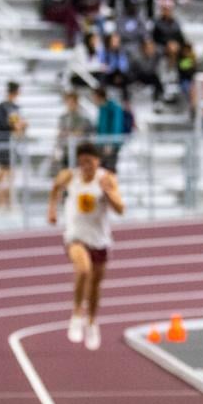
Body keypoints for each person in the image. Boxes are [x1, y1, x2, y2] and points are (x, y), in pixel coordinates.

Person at [47, 141, 125, 351]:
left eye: (90, 163)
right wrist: (52, 210)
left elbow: (120, 209)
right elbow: (55, 188)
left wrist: (108, 193)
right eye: (82, 163)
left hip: (99, 238)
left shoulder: (106, 179)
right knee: (83, 270)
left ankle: (91, 322)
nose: (86, 167)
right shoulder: (69, 176)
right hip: (75, 235)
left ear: (97, 161)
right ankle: (76, 315)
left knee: (96, 286)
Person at [0, 81, 27, 211]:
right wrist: (15, 126)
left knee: (10, 176)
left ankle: (9, 203)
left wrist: (21, 127)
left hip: (11, 144)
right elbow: (6, 125)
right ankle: (1, 204)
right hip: (3, 144)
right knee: (2, 176)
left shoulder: (14, 108)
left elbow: (19, 127)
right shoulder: (2, 108)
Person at [56, 91, 93, 169]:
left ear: (76, 102)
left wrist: (67, 133)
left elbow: (79, 132)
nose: (69, 104)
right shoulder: (63, 117)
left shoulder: (82, 117)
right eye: (67, 101)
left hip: (79, 151)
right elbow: (60, 133)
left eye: (71, 101)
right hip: (66, 150)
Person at [92, 86, 125, 172]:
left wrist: (111, 144)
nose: (93, 99)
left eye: (94, 96)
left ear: (98, 96)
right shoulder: (101, 109)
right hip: (101, 144)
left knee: (110, 170)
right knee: (101, 170)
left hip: (111, 145)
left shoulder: (114, 108)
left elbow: (116, 127)